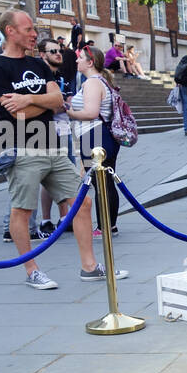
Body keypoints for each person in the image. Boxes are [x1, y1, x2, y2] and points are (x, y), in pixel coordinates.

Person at [0, 9, 123, 289]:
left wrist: (29, 99)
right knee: (22, 210)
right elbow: (17, 114)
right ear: (10, 31)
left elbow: (59, 100)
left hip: (53, 145)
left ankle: (90, 266)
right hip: (21, 146)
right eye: (28, 29)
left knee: (82, 201)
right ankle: (31, 270)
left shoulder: (39, 63)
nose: (34, 34)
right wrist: (40, 102)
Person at [67, 44, 121, 235]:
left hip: (95, 134)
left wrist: (68, 111)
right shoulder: (99, 81)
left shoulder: (92, 83)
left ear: (90, 62)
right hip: (99, 134)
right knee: (105, 181)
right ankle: (108, 224)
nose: (76, 60)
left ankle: (105, 225)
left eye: (80, 57)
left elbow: (91, 112)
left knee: (101, 183)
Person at [34, 37, 76, 238]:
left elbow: (66, 103)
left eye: (59, 50)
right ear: (42, 54)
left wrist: (55, 104)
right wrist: (53, 103)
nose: (58, 54)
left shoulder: (62, 77)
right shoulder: (37, 78)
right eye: (53, 51)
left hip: (64, 129)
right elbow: (51, 105)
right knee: (48, 176)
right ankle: (46, 220)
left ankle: (63, 217)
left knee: (65, 175)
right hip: (45, 130)